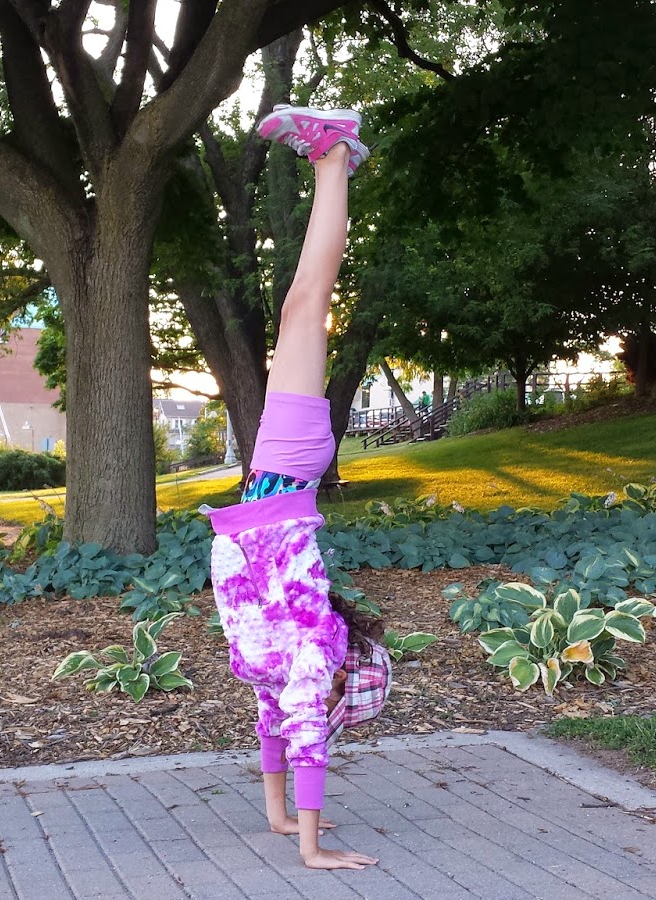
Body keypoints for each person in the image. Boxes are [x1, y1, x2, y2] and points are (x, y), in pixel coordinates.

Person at [203, 105, 390, 871]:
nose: (329, 699)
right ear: (346, 675)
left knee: (297, 305)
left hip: (268, 475)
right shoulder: (313, 644)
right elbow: (306, 737)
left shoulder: (283, 665)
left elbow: (271, 728)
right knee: (309, 299)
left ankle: (333, 159)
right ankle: (332, 155)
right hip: (290, 462)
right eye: (343, 689)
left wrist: (279, 820)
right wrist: (313, 854)